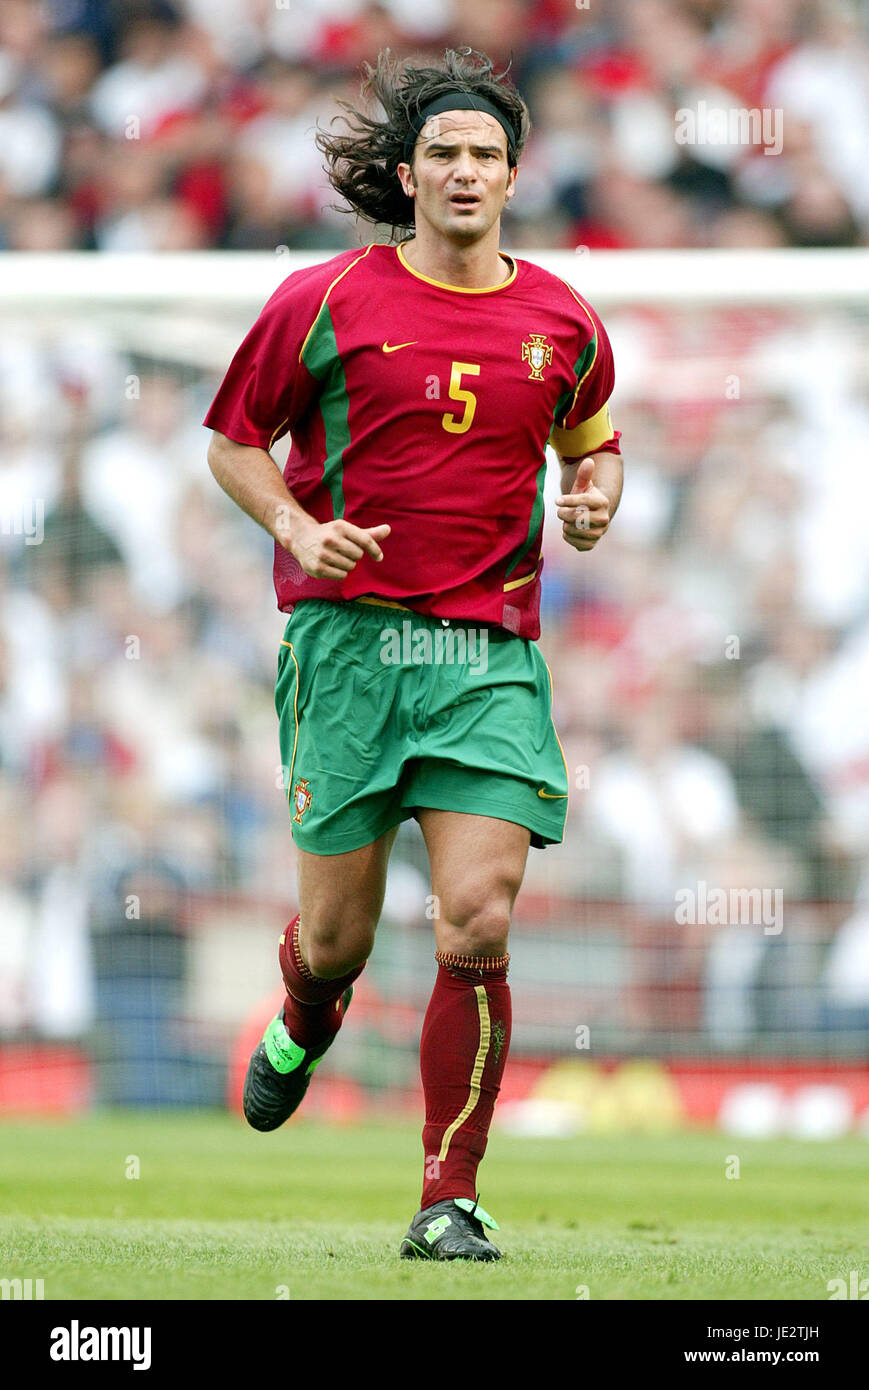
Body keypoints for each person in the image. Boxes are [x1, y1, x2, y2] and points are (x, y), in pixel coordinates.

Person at [204, 47, 623, 1261]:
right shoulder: (323, 301)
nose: (463, 169)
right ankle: (303, 1006)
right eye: (441, 150)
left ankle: (449, 1194)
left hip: (483, 654)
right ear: (406, 171)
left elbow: (592, 446)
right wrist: (292, 522)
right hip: (345, 653)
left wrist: (593, 496)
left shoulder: (562, 318)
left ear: (510, 176)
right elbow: (233, 440)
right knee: (337, 938)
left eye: (484, 153)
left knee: (476, 918)